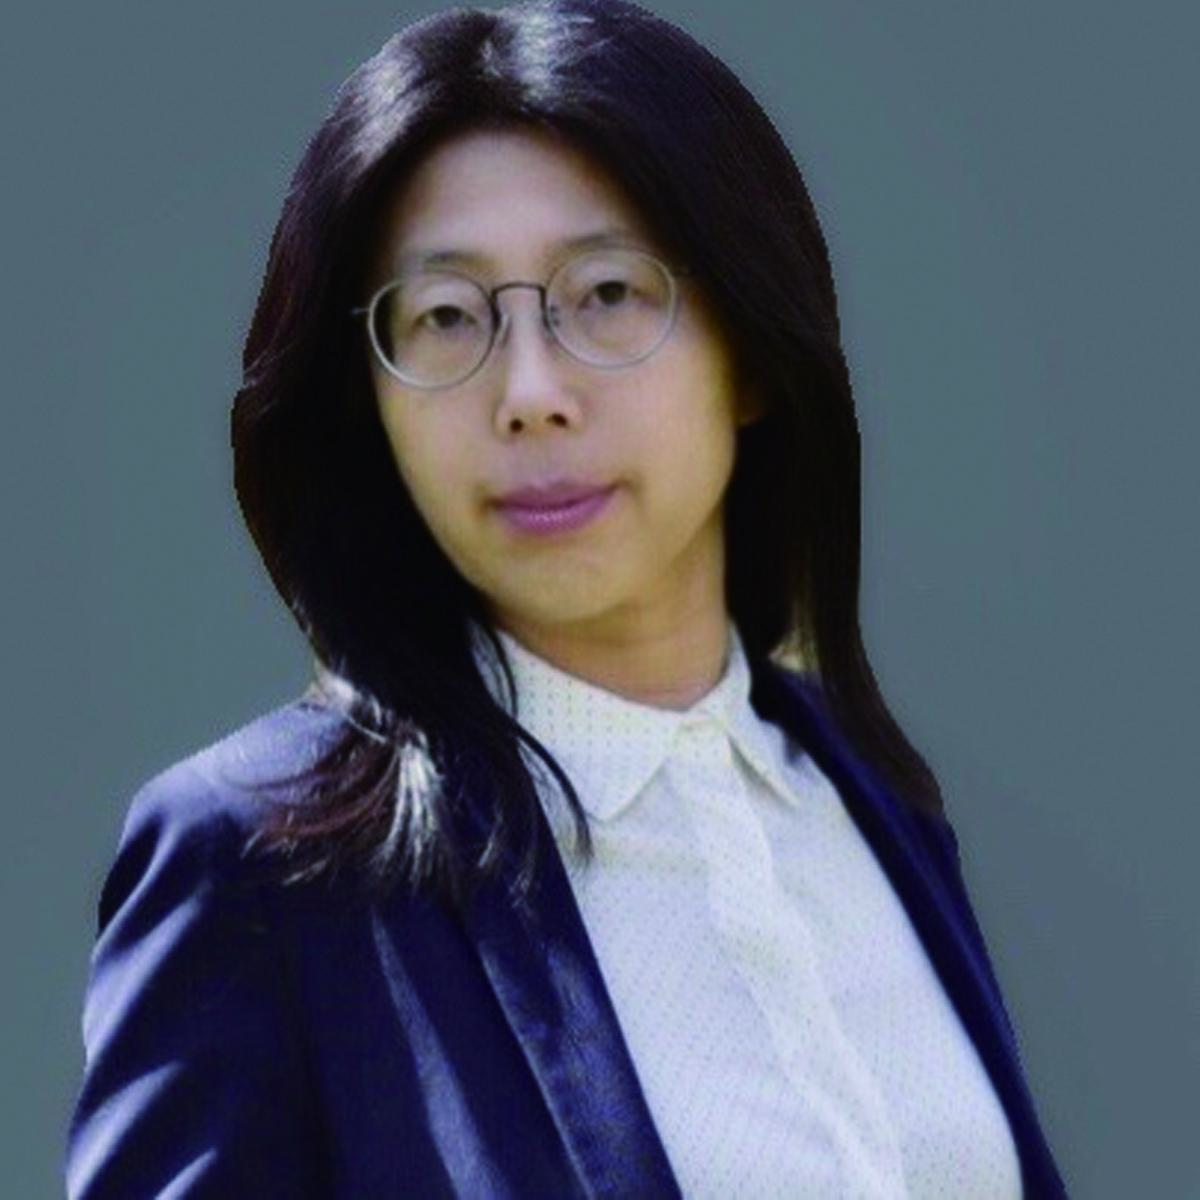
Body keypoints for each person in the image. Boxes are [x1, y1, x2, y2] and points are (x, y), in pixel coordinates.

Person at [63, 1, 1068, 1196]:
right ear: (372, 404)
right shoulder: (256, 868)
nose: (530, 393)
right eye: (447, 317)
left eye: (607, 294)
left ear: (750, 351)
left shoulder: (874, 799)